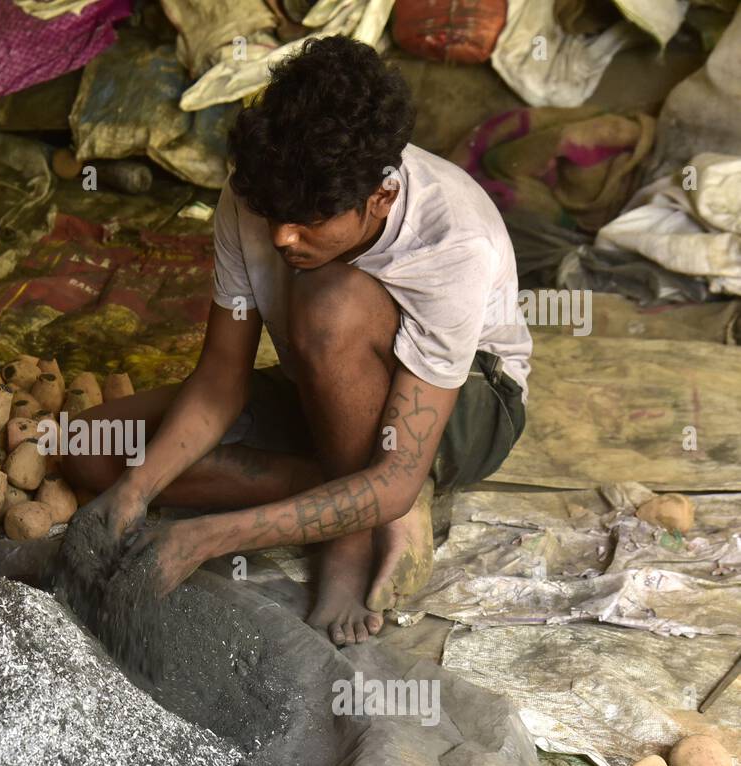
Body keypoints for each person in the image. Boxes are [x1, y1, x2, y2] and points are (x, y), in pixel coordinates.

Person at [61, 36, 531, 647]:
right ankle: (370, 493)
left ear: (380, 197)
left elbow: (390, 456)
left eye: (309, 221)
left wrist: (206, 537)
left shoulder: (453, 240)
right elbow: (219, 381)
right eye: (273, 212)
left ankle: (349, 538)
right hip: (332, 385)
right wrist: (136, 492)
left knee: (327, 299)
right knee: (90, 447)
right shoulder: (258, 193)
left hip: (469, 401)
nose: (282, 237)